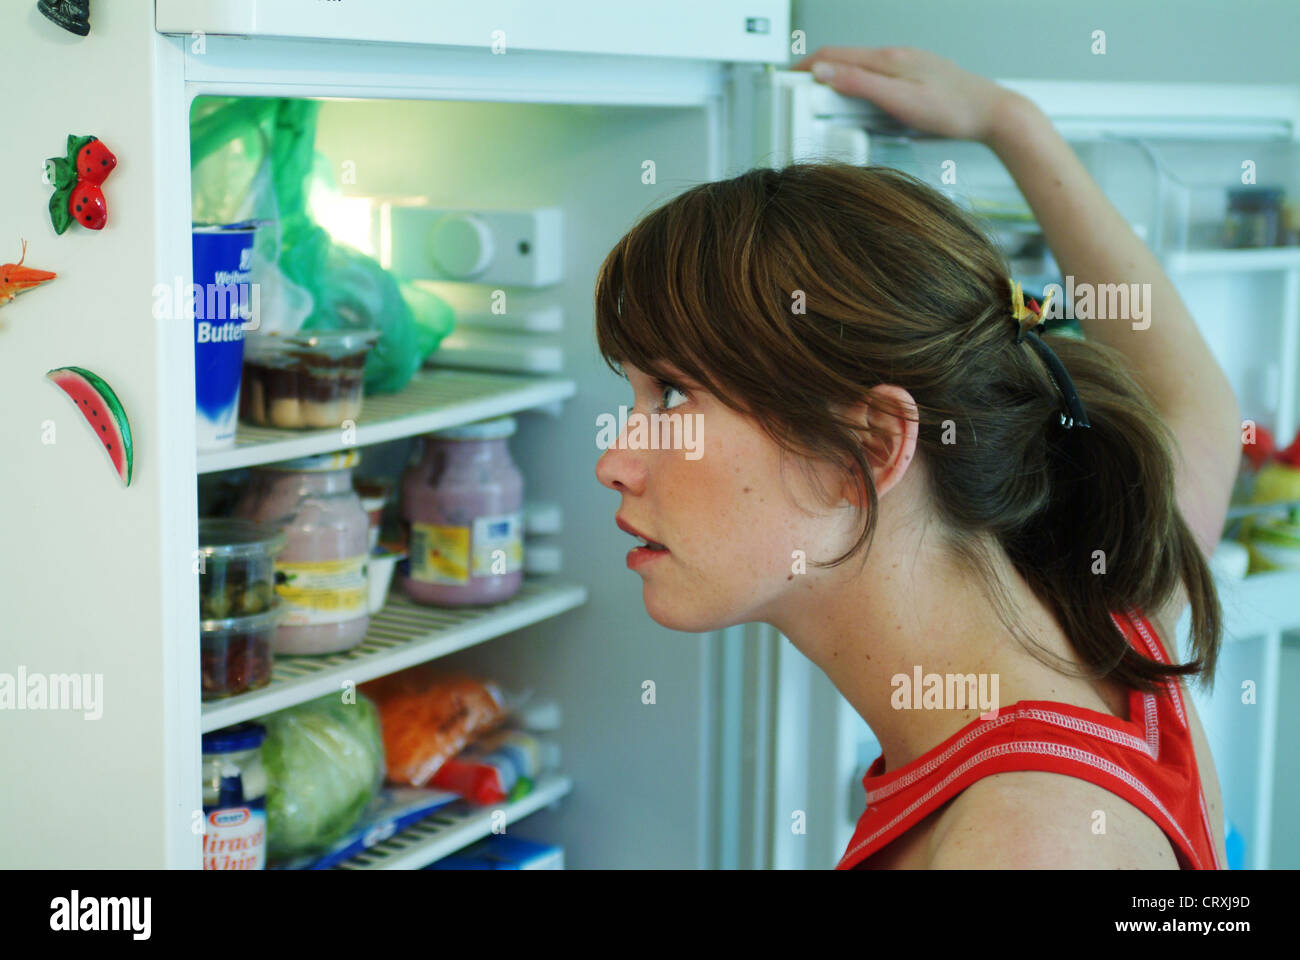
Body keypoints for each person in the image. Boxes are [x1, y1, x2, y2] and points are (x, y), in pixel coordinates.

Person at [593, 46, 1236, 869]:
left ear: (872, 444)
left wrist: (1015, 122)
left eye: (674, 398)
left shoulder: (1025, 844)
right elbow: (1200, 412)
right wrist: (1012, 124)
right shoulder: (1112, 602)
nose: (615, 461)